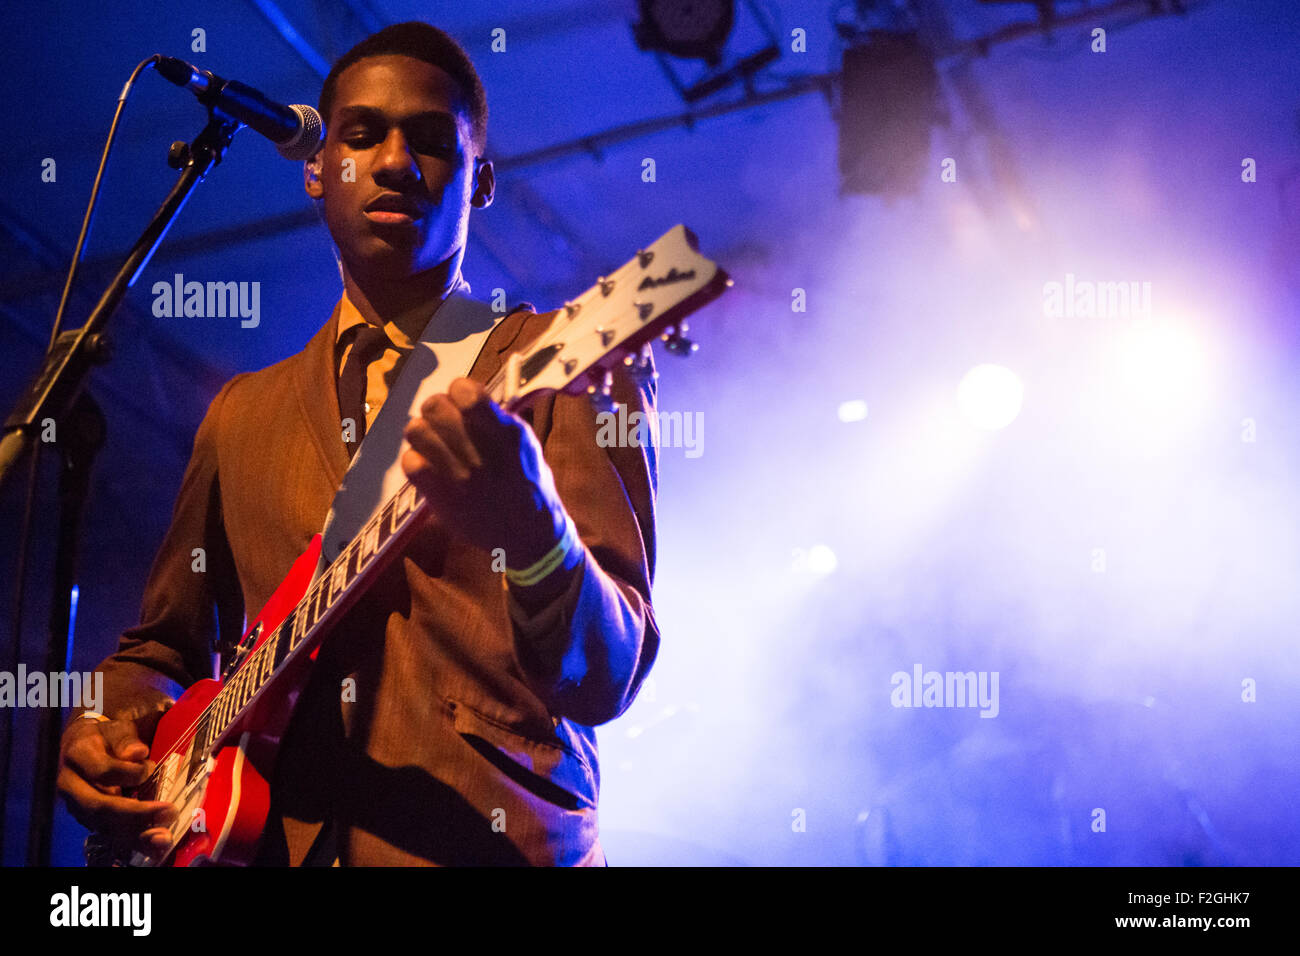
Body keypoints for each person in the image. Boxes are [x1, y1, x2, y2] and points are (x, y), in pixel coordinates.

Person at [56, 21, 659, 866]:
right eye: (362, 135)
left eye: (431, 142)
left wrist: (535, 532)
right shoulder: (240, 413)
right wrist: (102, 724)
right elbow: (160, 649)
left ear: (480, 182)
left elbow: (608, 673)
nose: (394, 162)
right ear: (316, 168)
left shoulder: (563, 366)